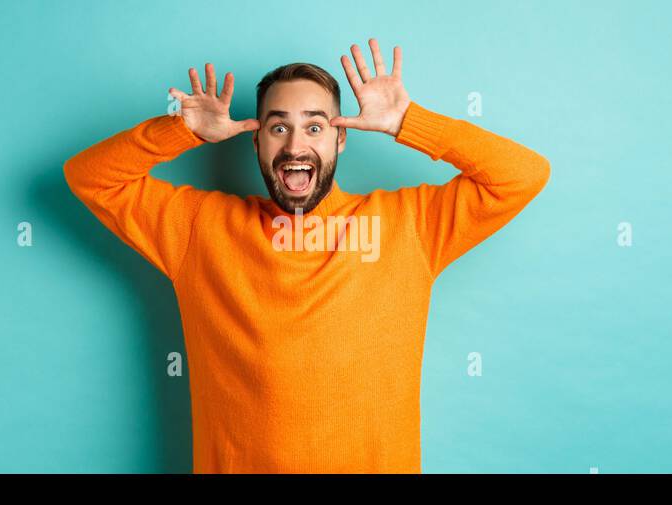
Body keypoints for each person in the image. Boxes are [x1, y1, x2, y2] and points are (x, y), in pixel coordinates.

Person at [64, 38, 550, 473]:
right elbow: (89, 177)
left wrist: (409, 123)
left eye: (315, 128)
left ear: (341, 138)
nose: (296, 145)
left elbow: (522, 175)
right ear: (254, 140)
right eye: (278, 128)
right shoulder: (199, 229)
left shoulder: (409, 227)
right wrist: (180, 129)